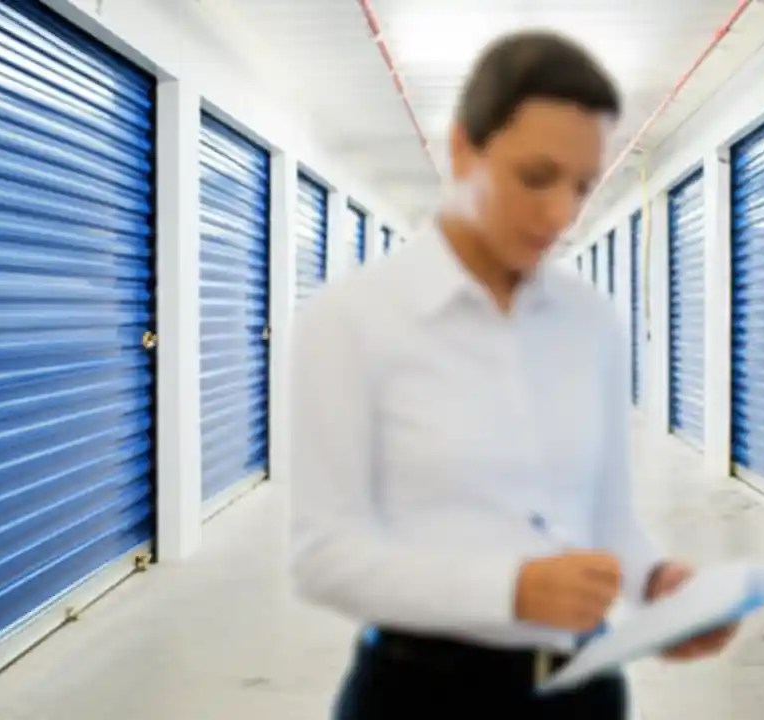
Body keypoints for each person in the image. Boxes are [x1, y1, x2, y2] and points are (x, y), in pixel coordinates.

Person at [287, 28, 736, 719]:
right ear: (464, 149)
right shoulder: (353, 319)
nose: (560, 213)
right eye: (535, 177)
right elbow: (325, 555)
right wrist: (508, 592)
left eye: (581, 186)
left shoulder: (592, 324)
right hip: (416, 693)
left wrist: (658, 582)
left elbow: (607, 515)